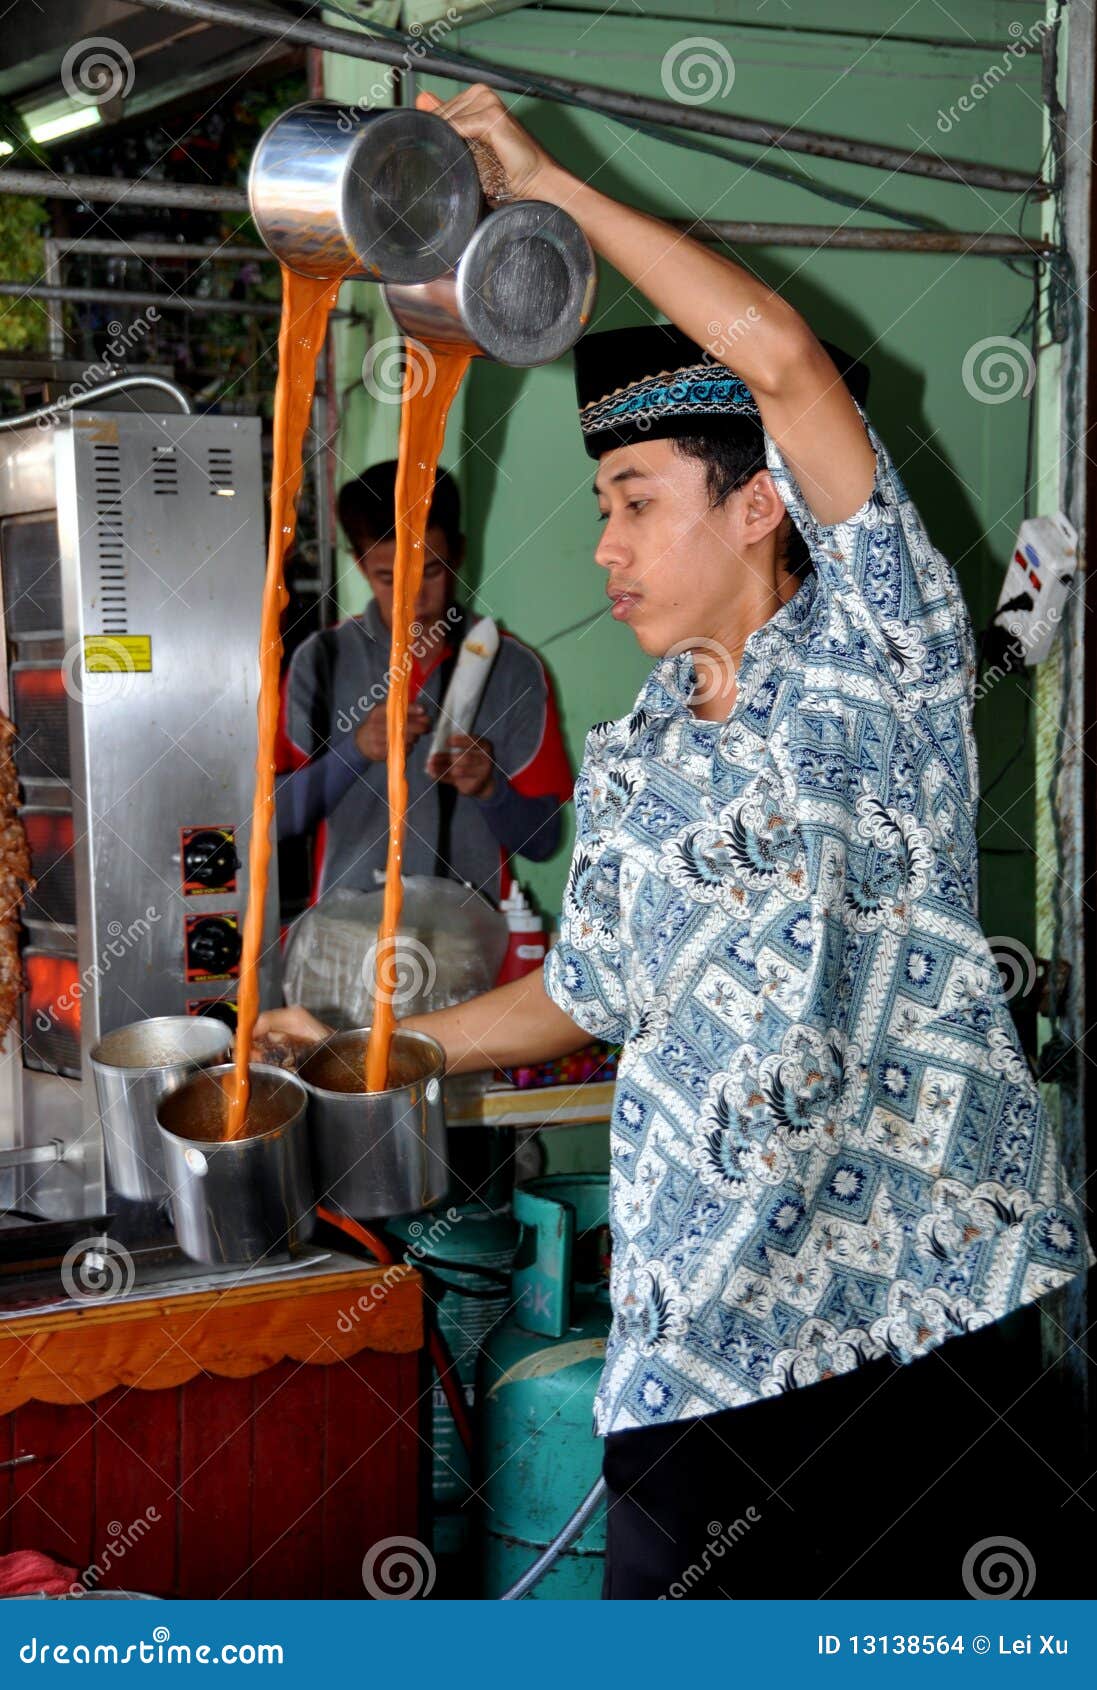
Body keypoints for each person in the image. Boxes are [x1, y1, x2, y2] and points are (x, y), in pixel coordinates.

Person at [257, 85, 1096, 1599]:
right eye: (600, 506)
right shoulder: (640, 743)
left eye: (634, 502)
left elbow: (780, 360)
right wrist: (387, 1045)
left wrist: (554, 189)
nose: (603, 546)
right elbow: (591, 990)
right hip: (704, 1340)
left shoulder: (882, 651)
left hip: (924, 1317)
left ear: (759, 503)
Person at [277, 461, 572, 902]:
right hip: (349, 931)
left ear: (459, 553)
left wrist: (490, 790)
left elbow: (544, 843)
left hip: (471, 934)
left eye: (430, 572)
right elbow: (276, 820)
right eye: (389, 579)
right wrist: (355, 752)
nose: (412, 600)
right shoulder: (320, 661)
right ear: (360, 565)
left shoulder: (512, 668)